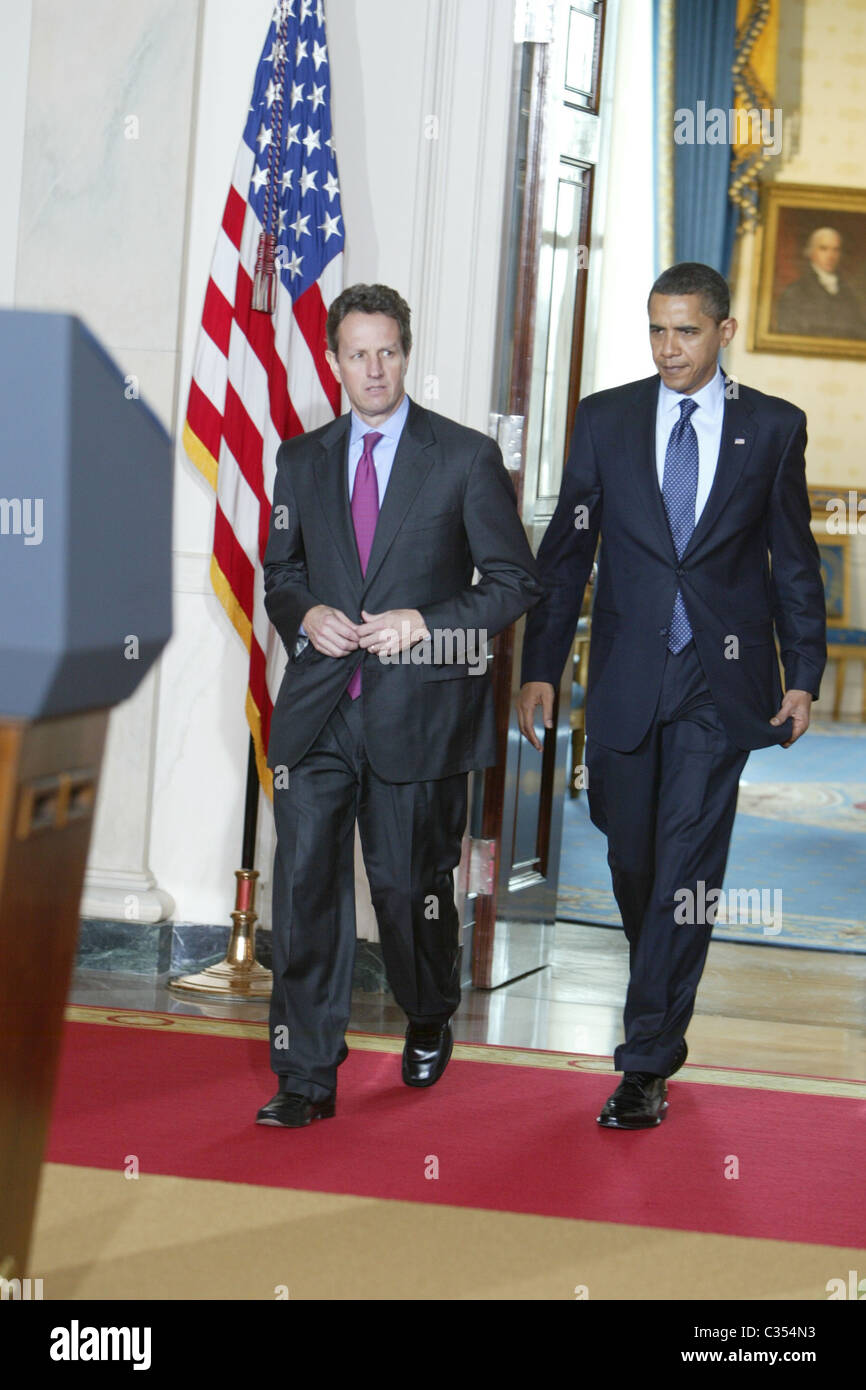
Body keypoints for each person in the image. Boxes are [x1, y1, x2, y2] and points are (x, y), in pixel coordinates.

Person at [517, 262, 826, 1130]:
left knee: (686, 868)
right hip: (623, 677)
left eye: (686, 331)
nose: (668, 348)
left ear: (724, 332)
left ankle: (645, 1063)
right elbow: (566, 554)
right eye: (656, 329)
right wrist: (541, 666)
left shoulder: (772, 429)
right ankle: (655, 975)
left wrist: (803, 674)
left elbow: (793, 562)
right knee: (634, 860)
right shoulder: (606, 419)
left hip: (718, 683)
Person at [258, 282, 542, 1127]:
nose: (373, 368)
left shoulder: (461, 458)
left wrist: (425, 622)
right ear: (333, 360)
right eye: (357, 353)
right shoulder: (300, 460)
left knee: (406, 890)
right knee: (304, 891)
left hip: (419, 717)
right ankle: (306, 1073)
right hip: (316, 713)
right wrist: (303, 611)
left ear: (406, 353)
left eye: (387, 351)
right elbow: (282, 575)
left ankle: (428, 1008)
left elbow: (514, 581)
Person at [774, 226, 866, 339]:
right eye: (823, 249)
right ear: (810, 252)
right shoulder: (794, 292)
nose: (830, 256)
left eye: (836, 250)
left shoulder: (849, 293)